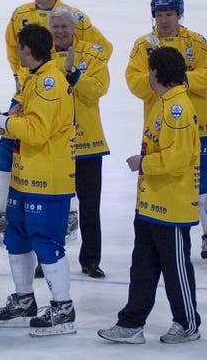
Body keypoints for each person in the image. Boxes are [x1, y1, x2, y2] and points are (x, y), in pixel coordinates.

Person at [0, 0, 112, 243]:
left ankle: (69, 214)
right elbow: (13, 48)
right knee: (9, 145)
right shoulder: (21, 15)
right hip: (31, 86)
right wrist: (20, 75)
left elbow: (104, 48)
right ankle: (0, 212)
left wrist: (80, 64)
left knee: (60, 149)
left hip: (65, 89)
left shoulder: (73, 16)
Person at [0, 24, 76, 337]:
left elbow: (38, 132)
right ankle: (24, 299)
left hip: (48, 179)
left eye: (19, 49)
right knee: (16, 236)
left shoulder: (49, 83)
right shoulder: (34, 79)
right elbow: (25, 123)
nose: (16, 53)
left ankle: (63, 308)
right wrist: (2, 118)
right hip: (25, 176)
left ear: (28, 51)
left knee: (46, 241)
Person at [98, 47, 201, 345]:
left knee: (176, 267)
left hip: (171, 204)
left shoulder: (177, 108)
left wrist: (143, 164)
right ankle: (131, 323)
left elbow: (178, 158)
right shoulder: (163, 102)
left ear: (156, 72)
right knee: (142, 265)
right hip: (150, 203)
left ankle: (187, 323)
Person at [125, 0, 207, 261]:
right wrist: (163, 79)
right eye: (159, 14)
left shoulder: (196, 42)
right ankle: (162, 227)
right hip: (157, 127)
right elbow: (135, 82)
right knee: (164, 175)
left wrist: (178, 79)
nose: (164, 20)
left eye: (169, 14)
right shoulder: (143, 45)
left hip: (200, 126)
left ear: (179, 14)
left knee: (203, 184)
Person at [47, 7, 110, 278]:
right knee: (53, 205)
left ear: (74, 28)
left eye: (65, 26)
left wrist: (74, 75)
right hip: (54, 145)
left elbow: (96, 91)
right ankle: (48, 258)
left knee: (89, 207)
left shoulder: (93, 54)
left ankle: (91, 260)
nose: (60, 31)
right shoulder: (43, 55)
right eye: (56, 27)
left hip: (88, 145)